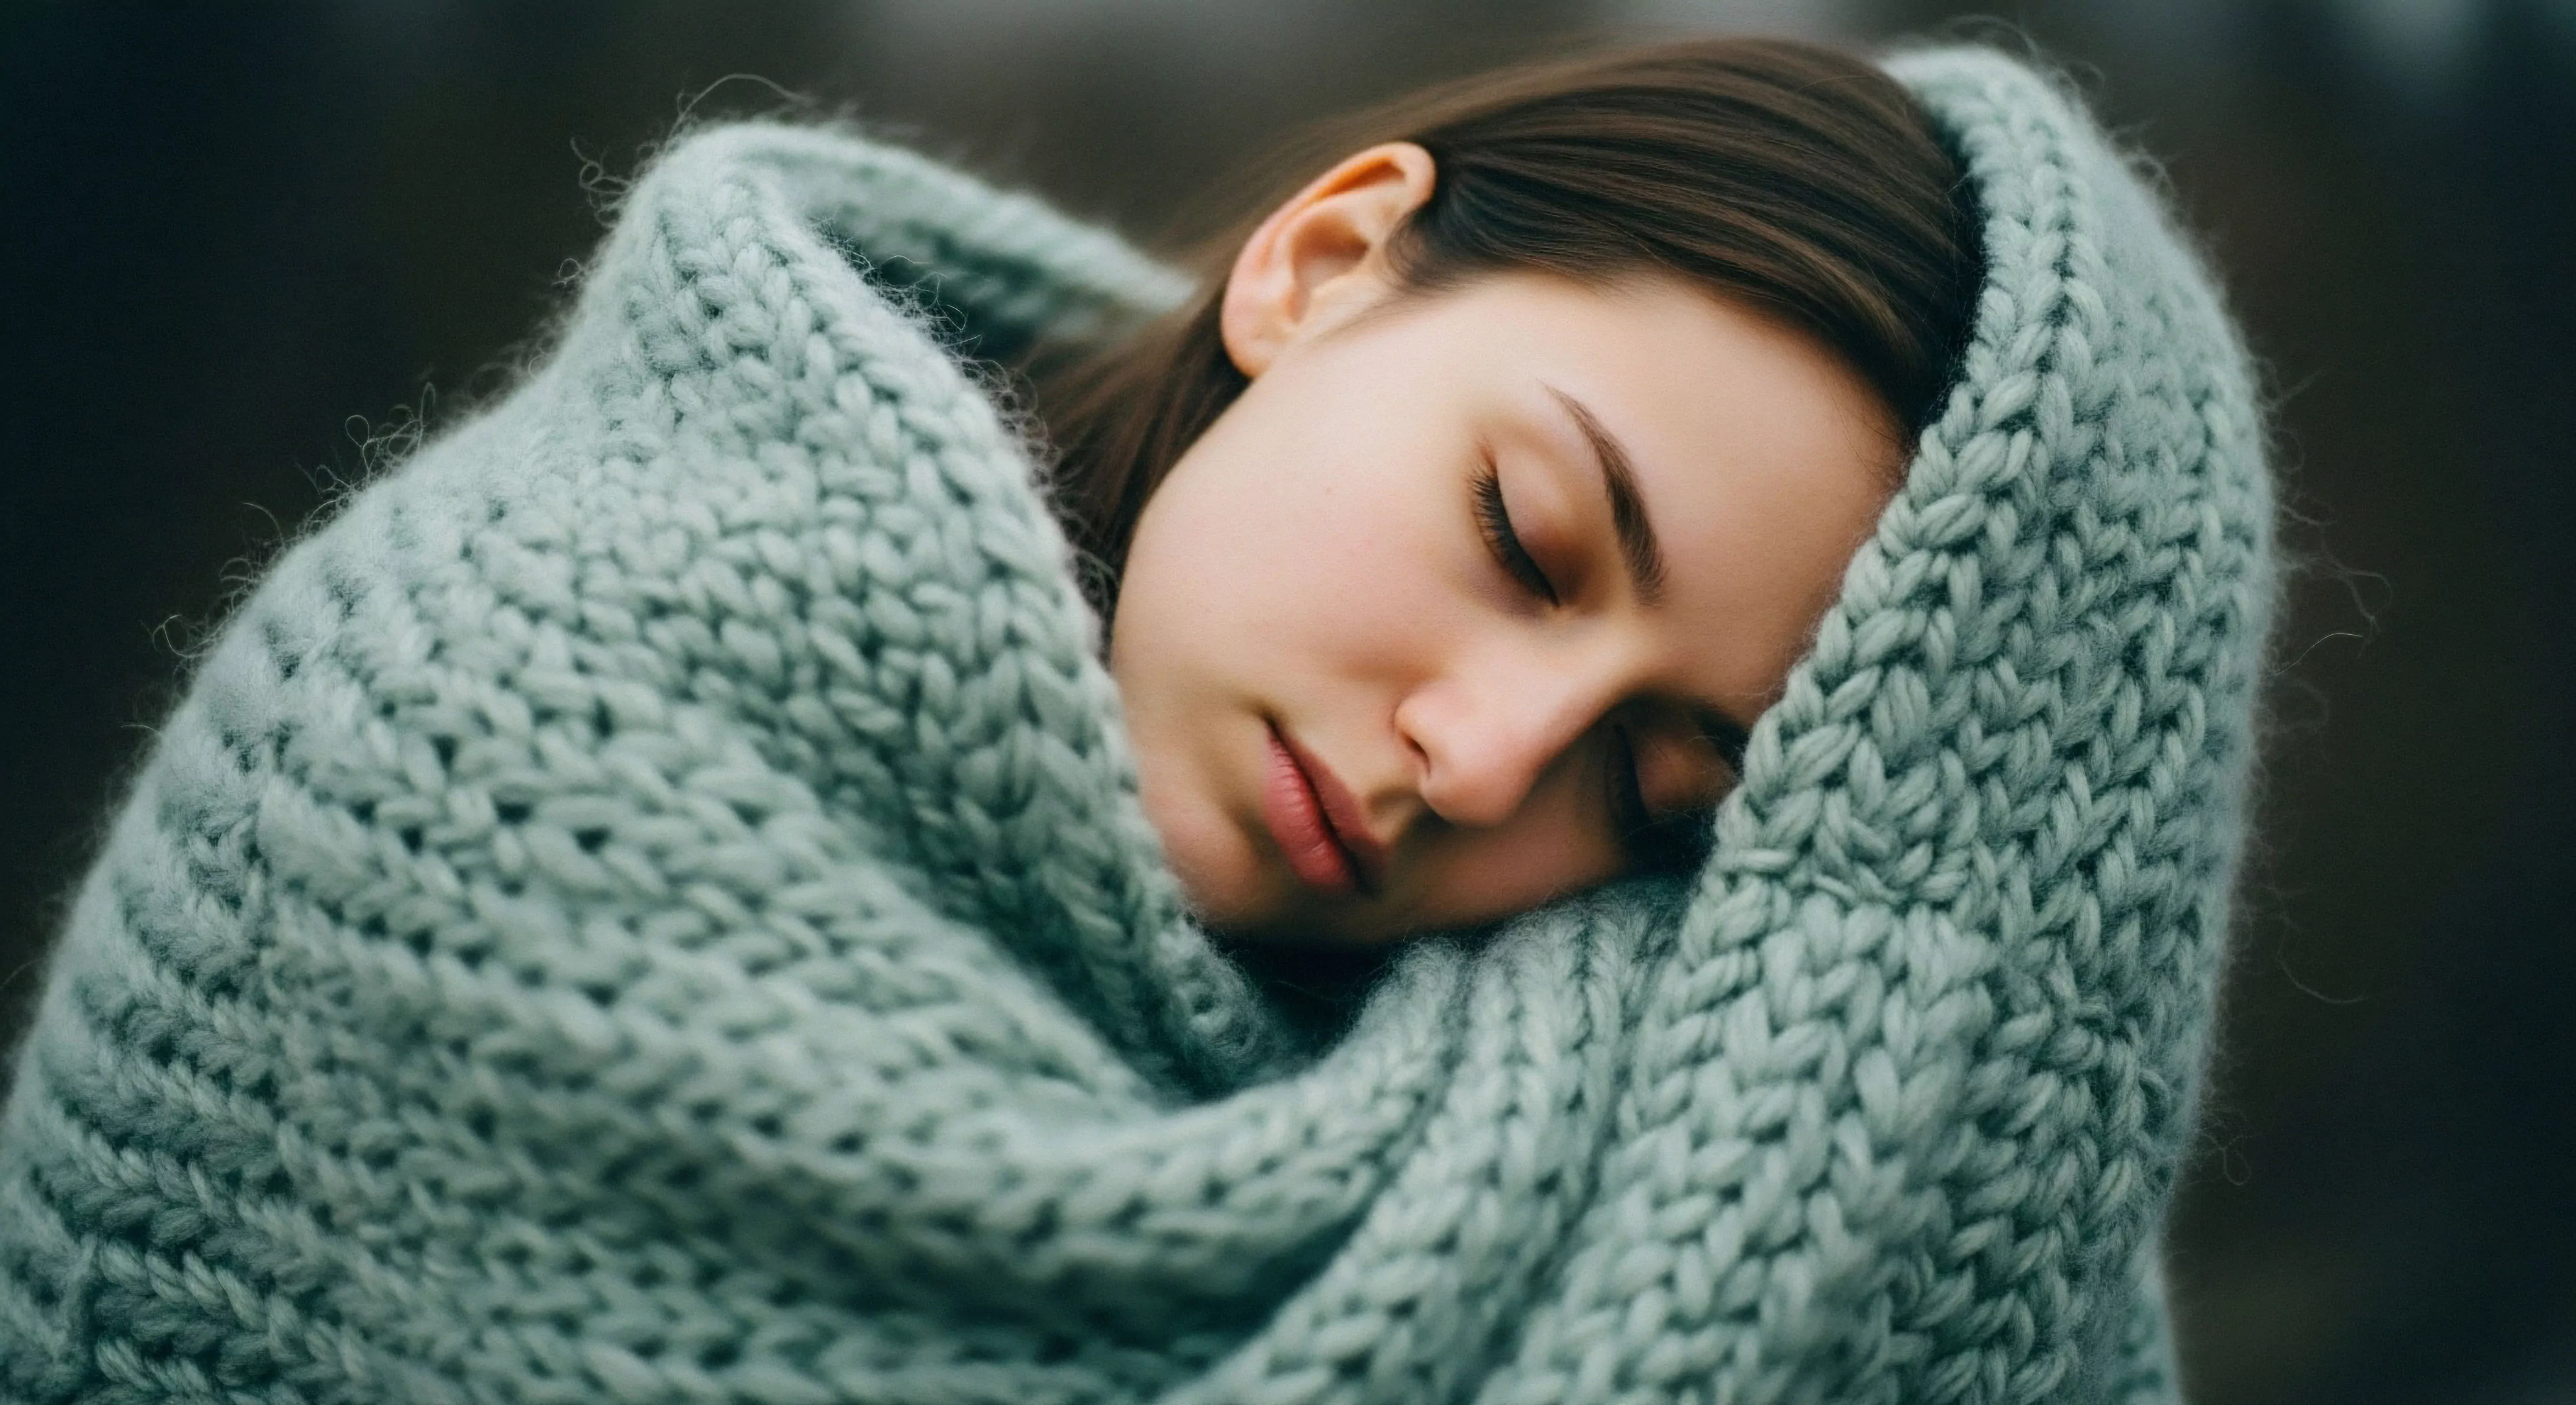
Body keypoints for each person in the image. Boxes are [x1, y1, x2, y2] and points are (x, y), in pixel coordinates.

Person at [0, 34, 2272, 1405]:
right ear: (1323, 265)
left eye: (1661, 790)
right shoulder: (480, 723)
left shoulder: (1616, 1099)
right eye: (1526, 533)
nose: (1481, 768)